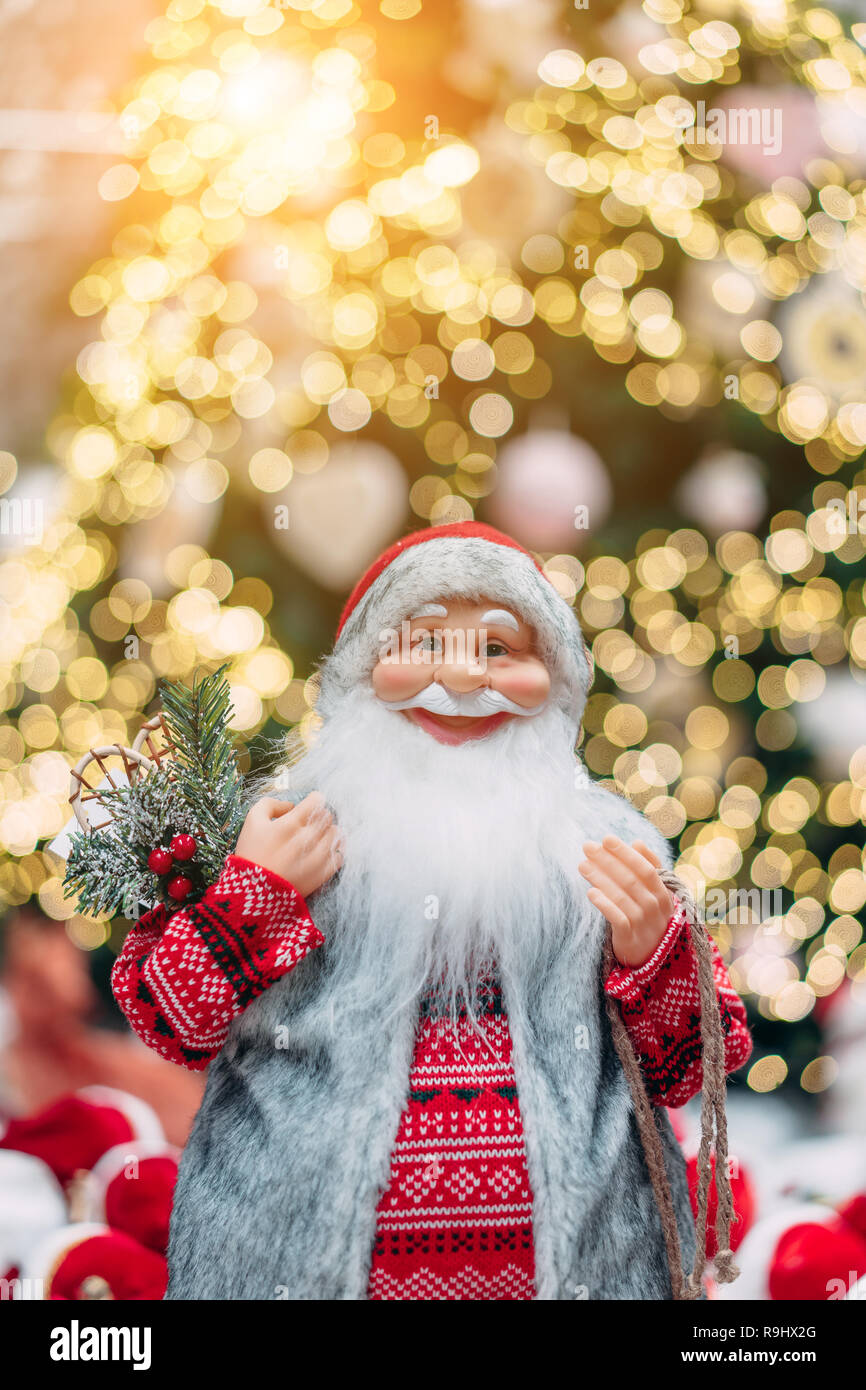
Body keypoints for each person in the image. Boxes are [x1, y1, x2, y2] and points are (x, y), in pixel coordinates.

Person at [112, 522, 752, 1300]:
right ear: (360, 671)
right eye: (420, 644)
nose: (459, 680)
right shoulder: (287, 832)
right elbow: (171, 1024)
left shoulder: (604, 850)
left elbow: (691, 1069)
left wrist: (655, 956)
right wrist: (253, 896)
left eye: (497, 650)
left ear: (554, 678)